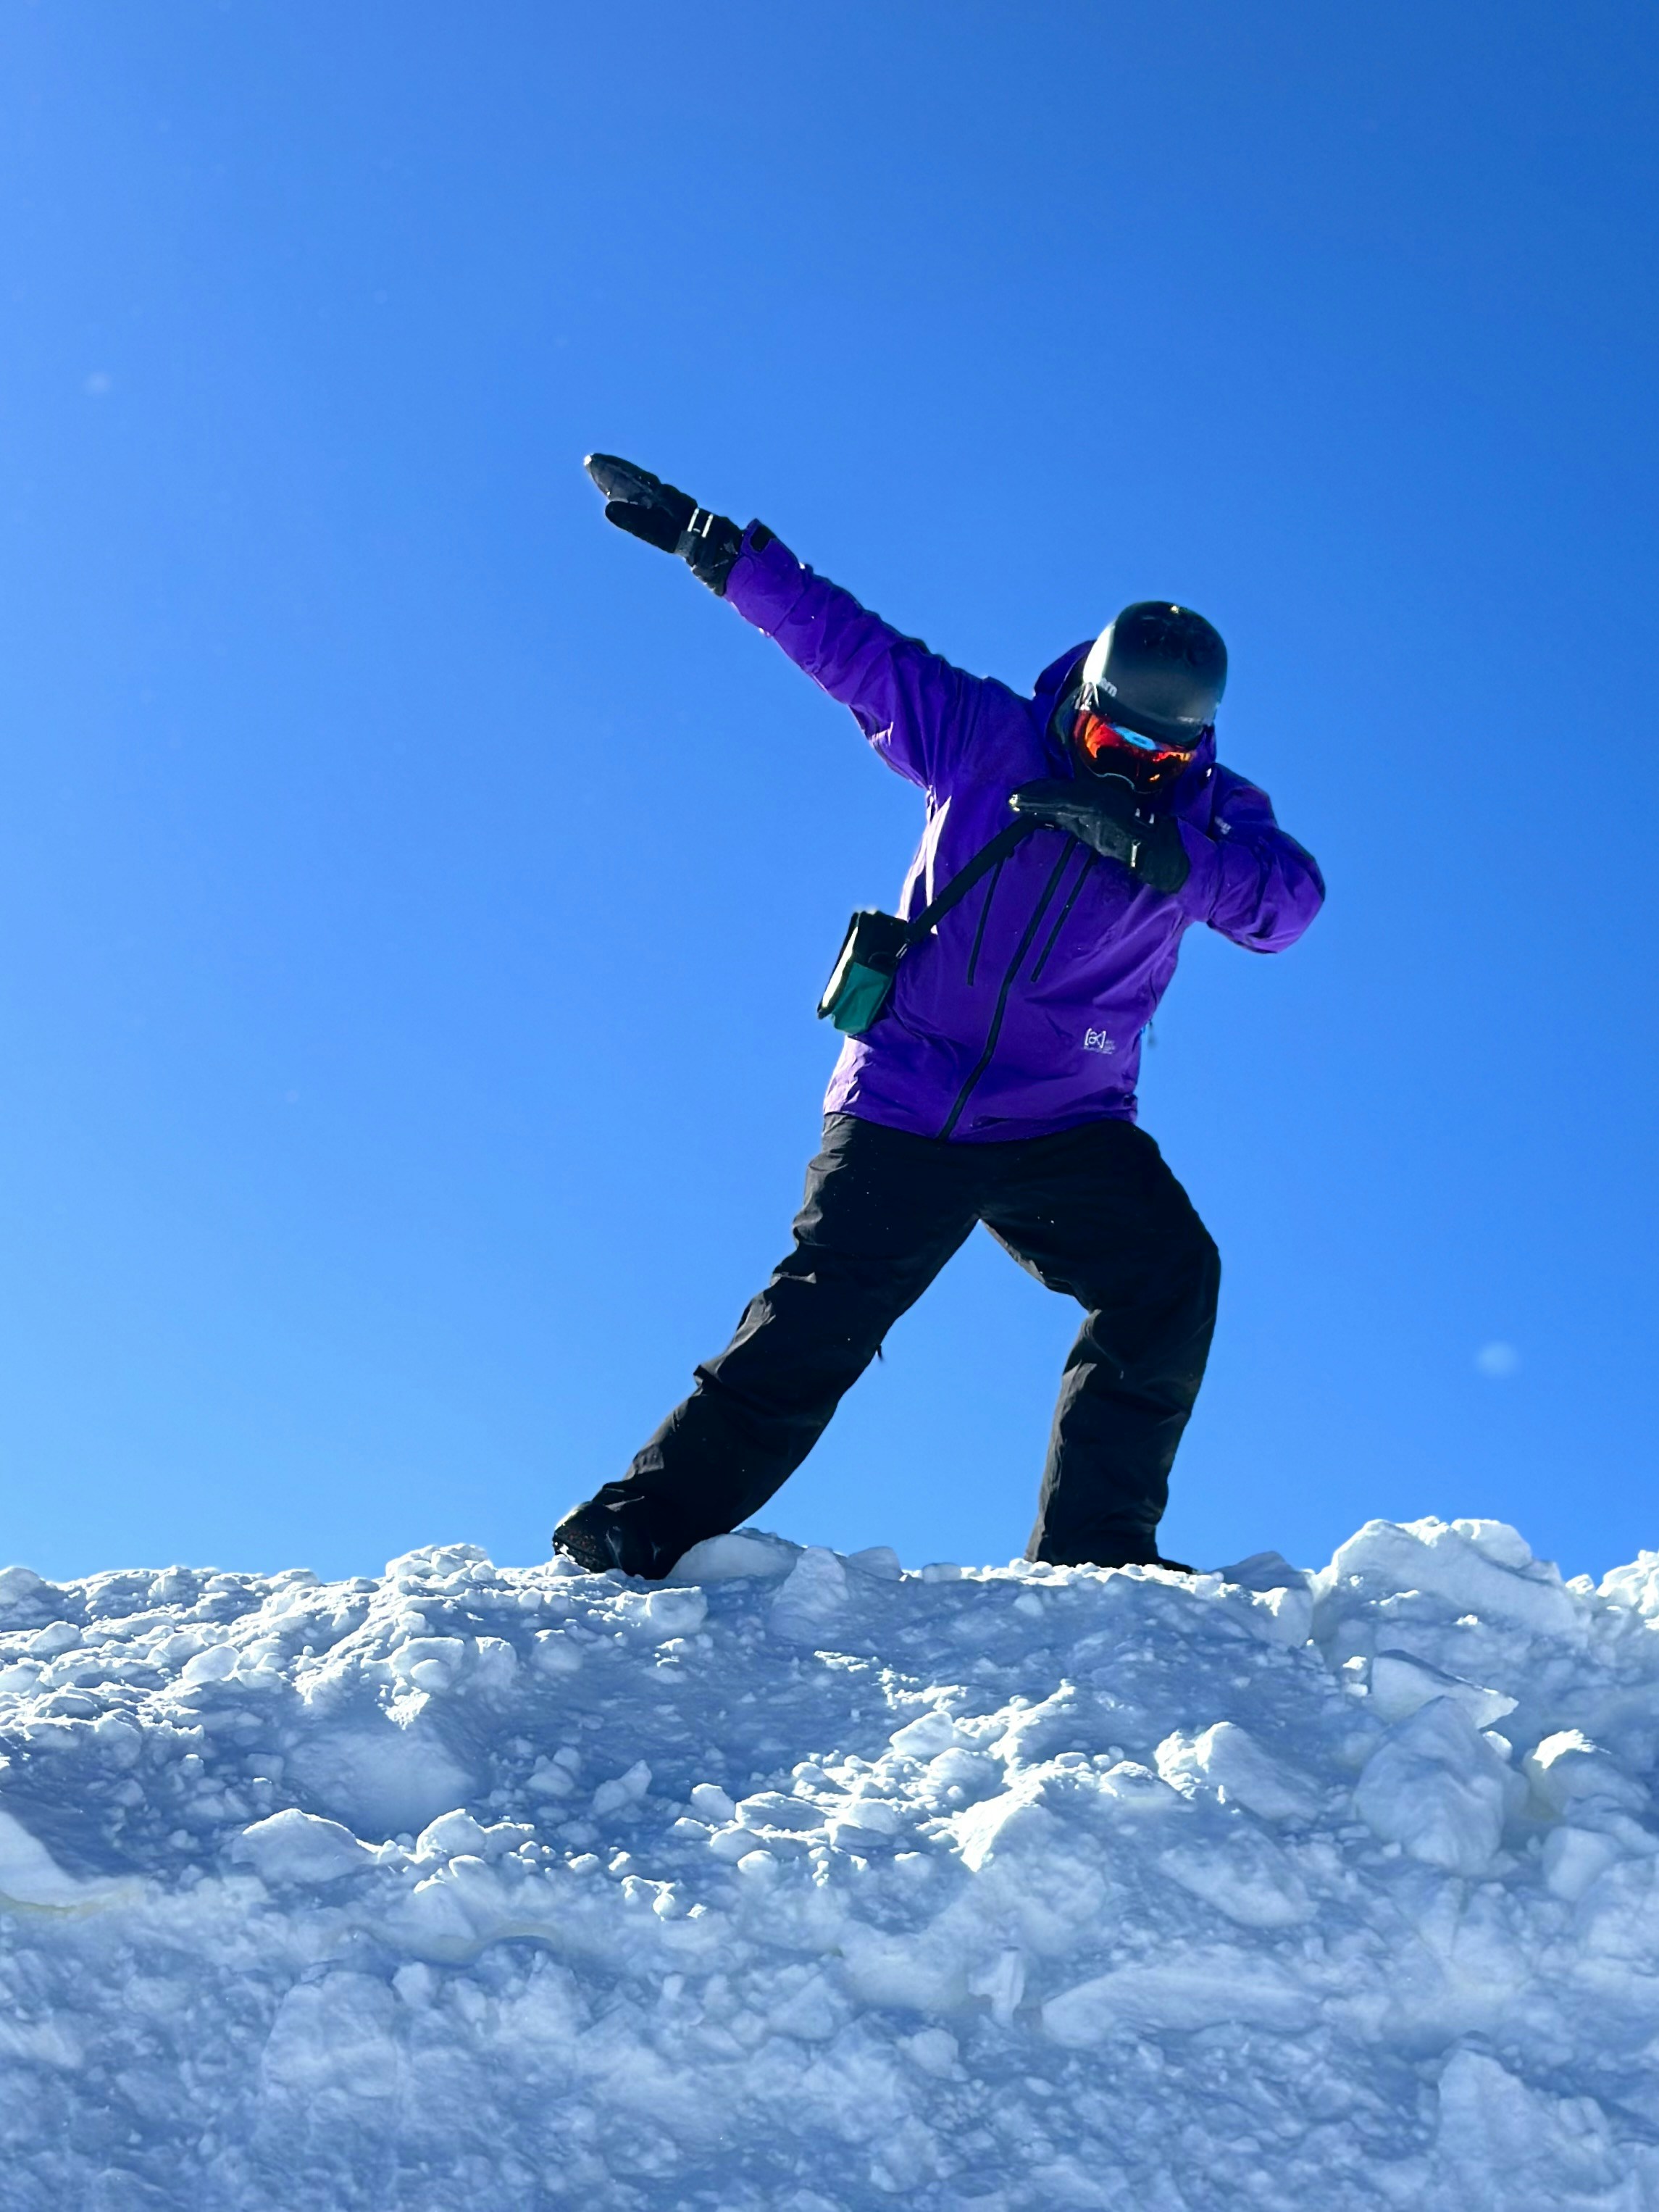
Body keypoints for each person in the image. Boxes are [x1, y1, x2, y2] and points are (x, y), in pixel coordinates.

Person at [555, 456, 1324, 1580]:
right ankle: (642, 1524)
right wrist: (717, 549)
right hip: (908, 1093)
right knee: (822, 1315)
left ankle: (1095, 1549)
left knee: (1168, 1281)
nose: (1135, 768)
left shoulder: (1209, 816)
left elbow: (1286, 905)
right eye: (1114, 745)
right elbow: (847, 644)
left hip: (1065, 1119)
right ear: (1084, 704)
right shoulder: (982, 735)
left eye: (1162, 758)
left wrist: (1164, 853)